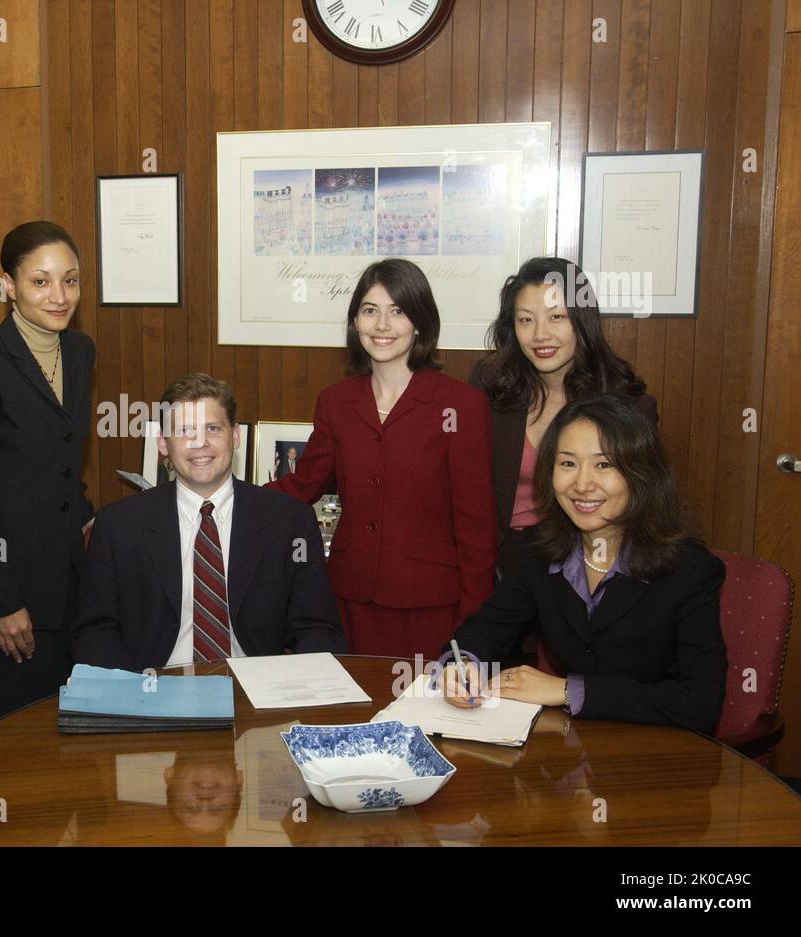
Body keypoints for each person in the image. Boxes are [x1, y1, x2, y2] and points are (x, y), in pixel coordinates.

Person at [442, 394, 726, 734]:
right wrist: (462, 666)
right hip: (572, 752)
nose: (581, 485)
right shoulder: (538, 551)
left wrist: (565, 690)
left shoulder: (690, 569)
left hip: (658, 756)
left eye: (603, 465)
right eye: (567, 464)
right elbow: (486, 630)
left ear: (641, 474)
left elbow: (700, 702)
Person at [268, 258, 496, 659]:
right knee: (350, 718)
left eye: (398, 311)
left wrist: (474, 632)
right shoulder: (336, 402)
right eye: (370, 311)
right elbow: (302, 485)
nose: (382, 325)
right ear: (356, 321)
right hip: (349, 601)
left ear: (420, 322)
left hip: (430, 607)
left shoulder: (459, 406)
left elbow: (476, 529)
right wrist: (227, 497)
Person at [72, 373, 345, 671]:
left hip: (256, 692)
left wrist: (289, 692)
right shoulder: (118, 525)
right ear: (163, 443)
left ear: (235, 435)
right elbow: (93, 632)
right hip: (154, 691)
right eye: (184, 431)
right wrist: (135, 696)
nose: (200, 443)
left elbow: (317, 629)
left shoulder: (290, 523)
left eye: (212, 428)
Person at [0, 220, 95, 731]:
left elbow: (62, 462)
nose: (59, 296)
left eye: (70, 280)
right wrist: (3, 602)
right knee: (10, 749)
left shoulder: (80, 352)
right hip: (6, 598)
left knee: (70, 747)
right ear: (8, 285)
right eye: (41, 281)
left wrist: (85, 518)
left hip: (68, 588)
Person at [471, 257, 656, 578]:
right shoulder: (490, 385)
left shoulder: (627, 404)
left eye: (556, 317)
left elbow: (642, 507)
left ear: (581, 322)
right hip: (498, 558)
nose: (540, 334)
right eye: (526, 320)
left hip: (585, 559)